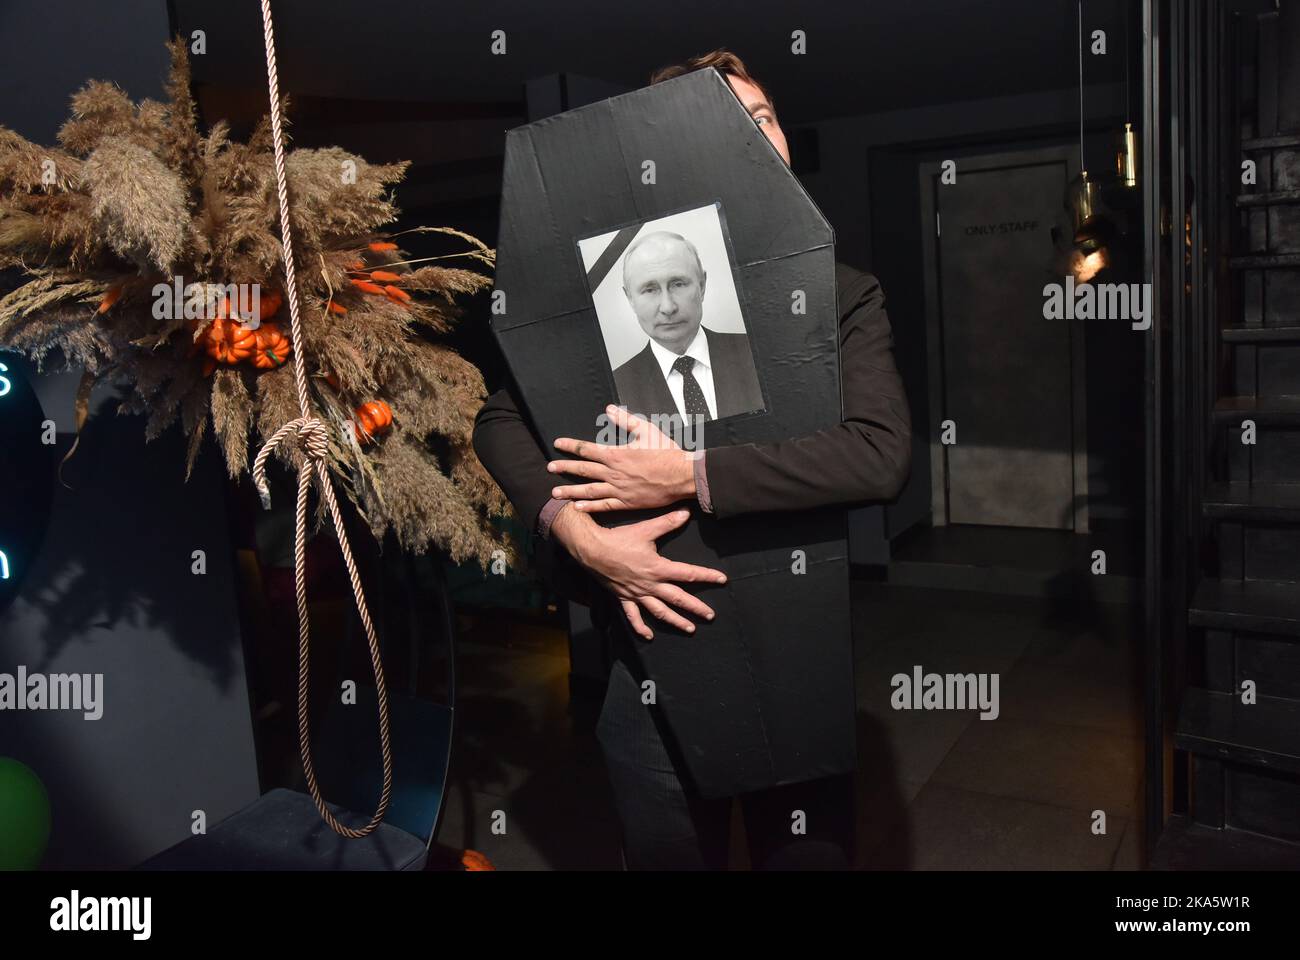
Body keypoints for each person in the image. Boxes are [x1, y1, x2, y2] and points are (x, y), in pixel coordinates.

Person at [472, 49, 911, 869]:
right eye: (719, 124)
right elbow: (498, 422)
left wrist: (690, 474)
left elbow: (878, 457)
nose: (750, 137)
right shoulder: (613, 301)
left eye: (763, 118)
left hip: (793, 659)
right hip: (647, 670)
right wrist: (575, 531)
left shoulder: (841, 293)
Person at [612, 230, 763, 422]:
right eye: (650, 289)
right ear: (630, 299)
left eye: (678, 284)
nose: (668, 307)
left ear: (702, 286)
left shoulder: (757, 351)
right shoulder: (617, 389)